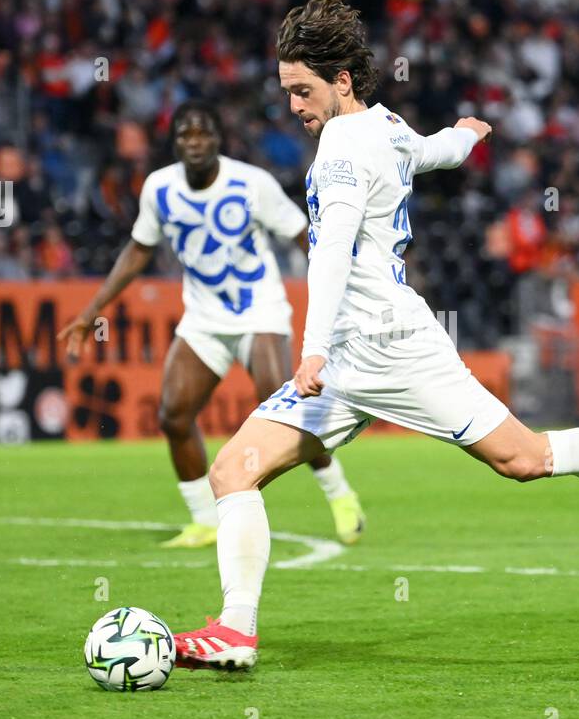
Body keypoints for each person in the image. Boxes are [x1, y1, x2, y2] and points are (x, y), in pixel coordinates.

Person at [173, 0, 579, 670]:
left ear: (340, 81)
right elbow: (429, 153)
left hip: (386, 349)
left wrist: (313, 351)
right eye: (287, 94)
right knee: (233, 469)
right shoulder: (383, 124)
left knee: (524, 459)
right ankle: (236, 631)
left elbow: (329, 252)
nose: (294, 108)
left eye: (303, 92)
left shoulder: (339, 148)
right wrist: (466, 136)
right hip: (352, 356)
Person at [60, 100, 367, 549]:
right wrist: (91, 312)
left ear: (219, 139)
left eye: (203, 133)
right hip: (203, 319)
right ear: (175, 143)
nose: (195, 142)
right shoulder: (158, 188)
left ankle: (339, 494)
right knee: (174, 415)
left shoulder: (251, 183)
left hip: (260, 311)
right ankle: (206, 519)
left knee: (283, 409)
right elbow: (138, 250)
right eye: (186, 134)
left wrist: (342, 292)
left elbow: (303, 234)